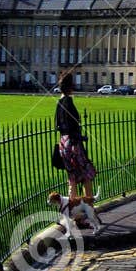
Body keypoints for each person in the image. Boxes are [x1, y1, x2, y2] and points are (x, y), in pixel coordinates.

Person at [54, 72, 98, 226]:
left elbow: (59, 125)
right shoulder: (68, 102)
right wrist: (80, 137)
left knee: (72, 178)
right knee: (86, 175)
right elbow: (73, 124)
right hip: (73, 144)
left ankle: (75, 216)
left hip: (63, 143)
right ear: (71, 86)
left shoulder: (59, 103)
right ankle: (89, 210)